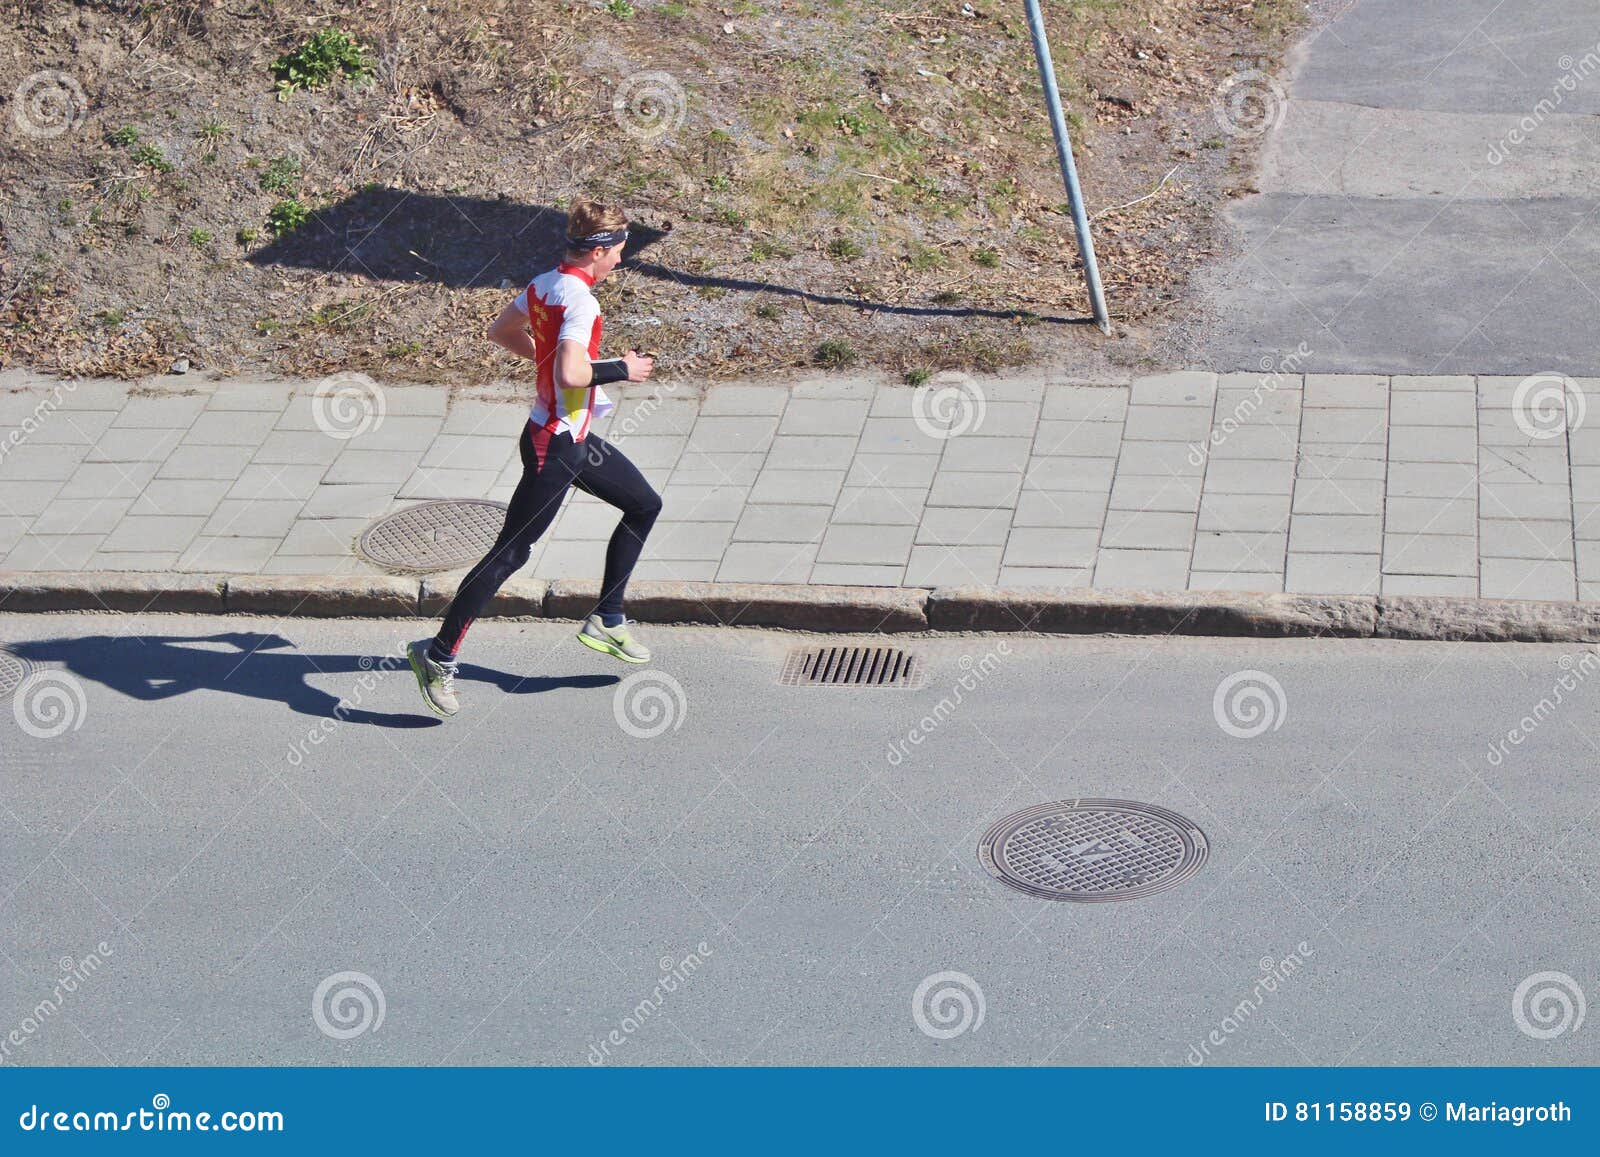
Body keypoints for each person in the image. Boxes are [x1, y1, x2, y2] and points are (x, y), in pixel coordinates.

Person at [406, 200, 660, 718]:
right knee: (509, 555)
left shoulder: (545, 283)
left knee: (643, 504)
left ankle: (607, 618)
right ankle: (437, 657)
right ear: (601, 251)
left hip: (569, 436)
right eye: (619, 253)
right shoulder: (583, 302)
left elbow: (501, 331)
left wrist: (553, 358)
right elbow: (571, 375)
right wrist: (621, 368)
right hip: (555, 446)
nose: (621, 262)